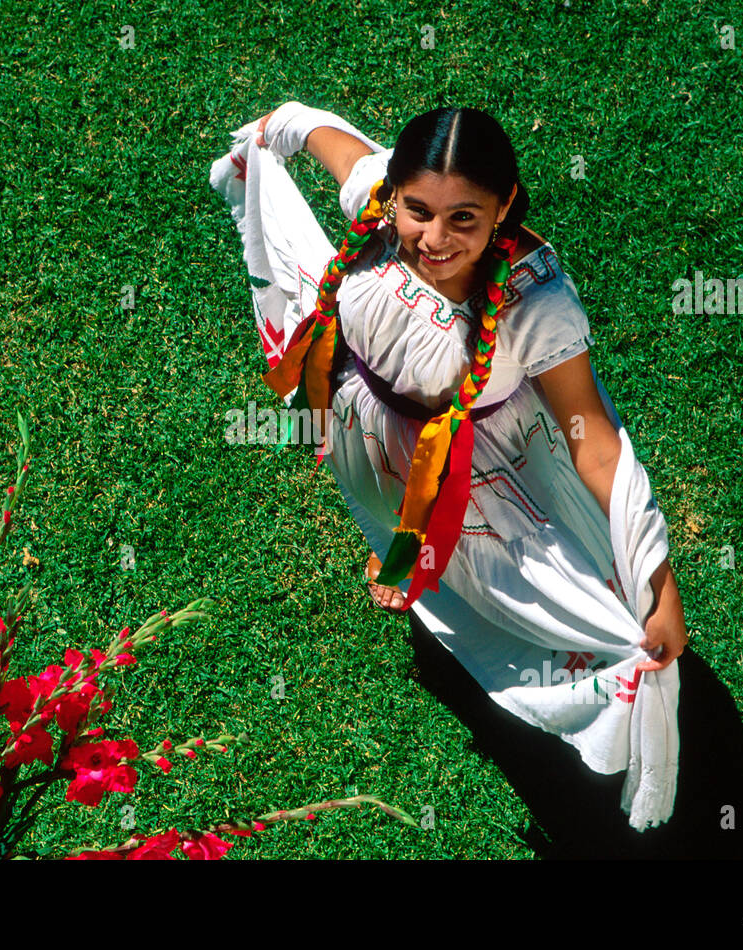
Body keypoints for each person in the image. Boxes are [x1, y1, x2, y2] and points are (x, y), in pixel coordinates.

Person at [209, 101, 689, 831]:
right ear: (395, 193)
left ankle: (492, 627)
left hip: (475, 471)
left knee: (506, 583)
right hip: (365, 424)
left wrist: (659, 583)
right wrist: (282, 126)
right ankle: (400, 558)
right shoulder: (376, 201)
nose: (434, 238)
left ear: (502, 211)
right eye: (418, 210)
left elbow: (592, 440)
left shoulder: (538, 300)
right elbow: (330, 144)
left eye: (464, 218)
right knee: (377, 507)